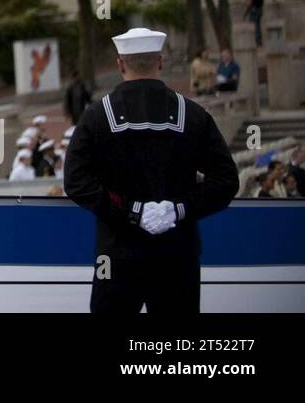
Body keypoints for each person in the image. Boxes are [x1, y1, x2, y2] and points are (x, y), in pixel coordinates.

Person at [64, 27, 238, 313]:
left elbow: (75, 181)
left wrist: (130, 212)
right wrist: (179, 209)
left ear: (121, 65)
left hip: (117, 256)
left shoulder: (95, 118)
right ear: (160, 61)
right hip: (178, 254)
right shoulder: (194, 115)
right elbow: (226, 181)